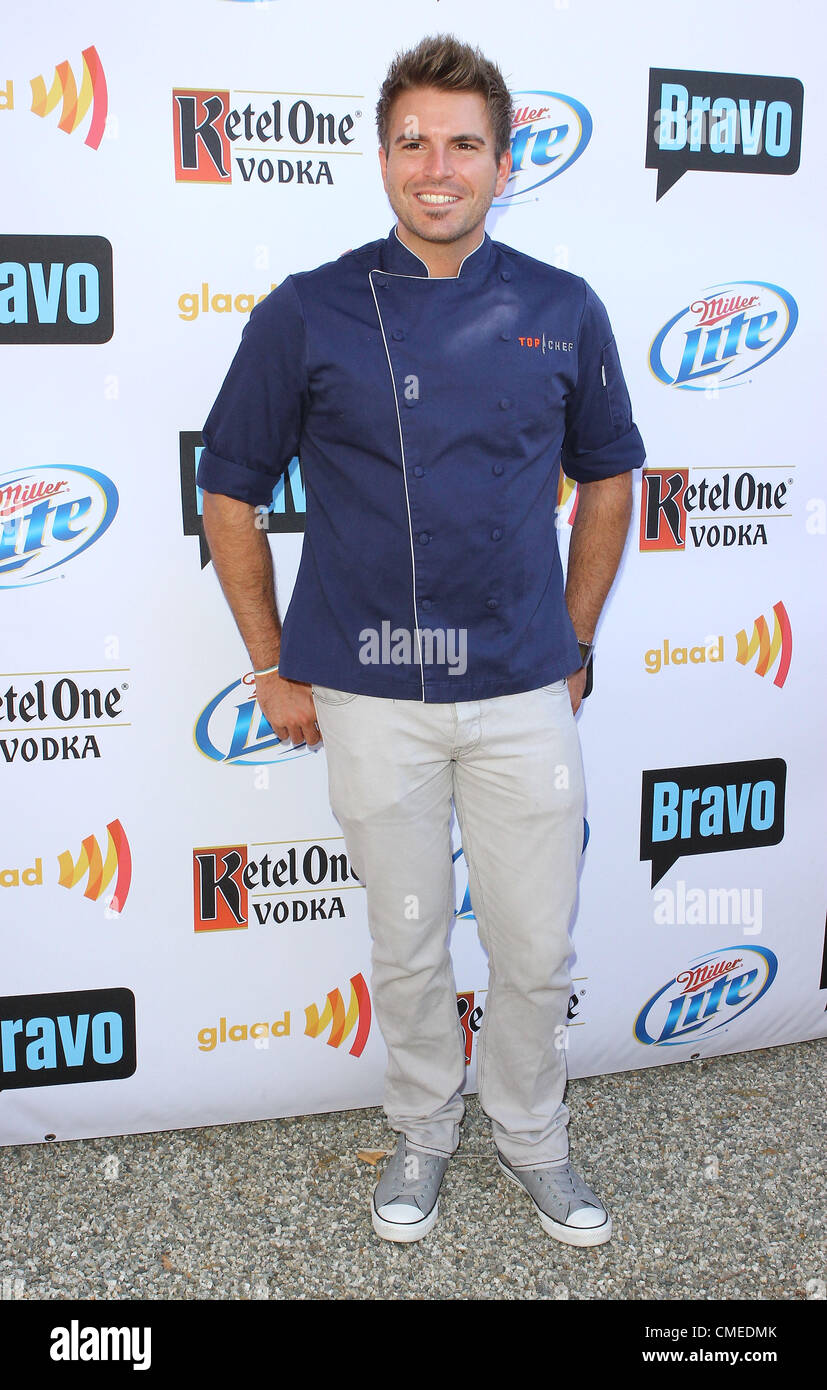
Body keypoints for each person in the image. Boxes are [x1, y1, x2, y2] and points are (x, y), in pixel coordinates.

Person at [197, 33, 645, 1247]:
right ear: (382, 157)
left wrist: (576, 633)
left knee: (534, 945)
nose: (434, 167)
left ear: (504, 163)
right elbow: (227, 488)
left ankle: (532, 1134)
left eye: (461, 144)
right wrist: (270, 660)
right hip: (369, 697)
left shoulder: (560, 306)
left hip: (518, 689)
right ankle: (421, 1129)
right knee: (402, 939)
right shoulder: (308, 309)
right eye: (412, 143)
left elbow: (609, 478)